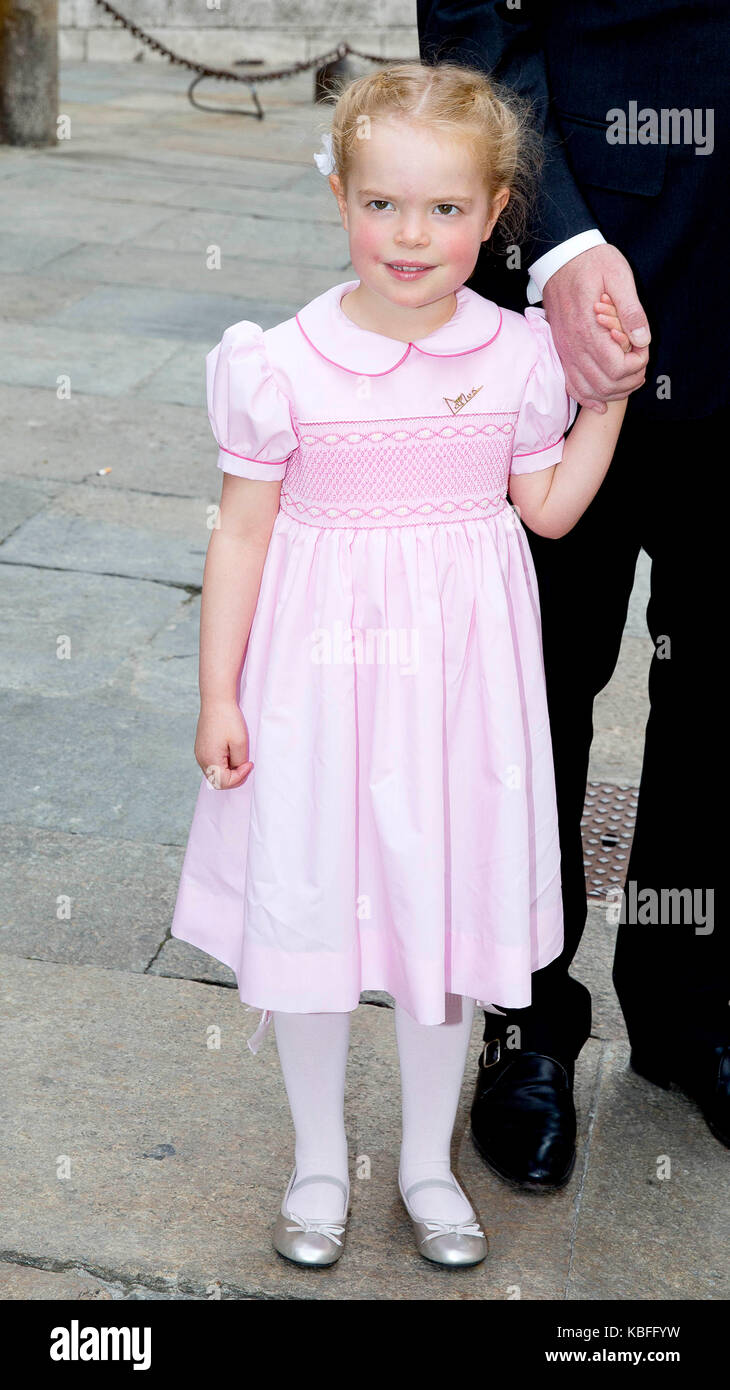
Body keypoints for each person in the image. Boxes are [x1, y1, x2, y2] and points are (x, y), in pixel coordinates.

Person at [170, 60, 627, 1269]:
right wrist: (219, 691)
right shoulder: (284, 362)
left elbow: (550, 508)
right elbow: (244, 531)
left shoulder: (521, 356)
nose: (409, 236)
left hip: (459, 699)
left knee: (446, 919)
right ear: (341, 203)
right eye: (381, 205)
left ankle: (426, 1159)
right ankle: (321, 1157)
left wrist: (608, 403)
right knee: (312, 908)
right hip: (319, 684)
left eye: (441, 209)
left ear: (492, 216)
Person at [417, 0, 729, 1184]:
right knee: (532, 682)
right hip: (585, 285)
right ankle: (525, 1016)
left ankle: (691, 999)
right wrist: (550, 244)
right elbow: (476, 26)